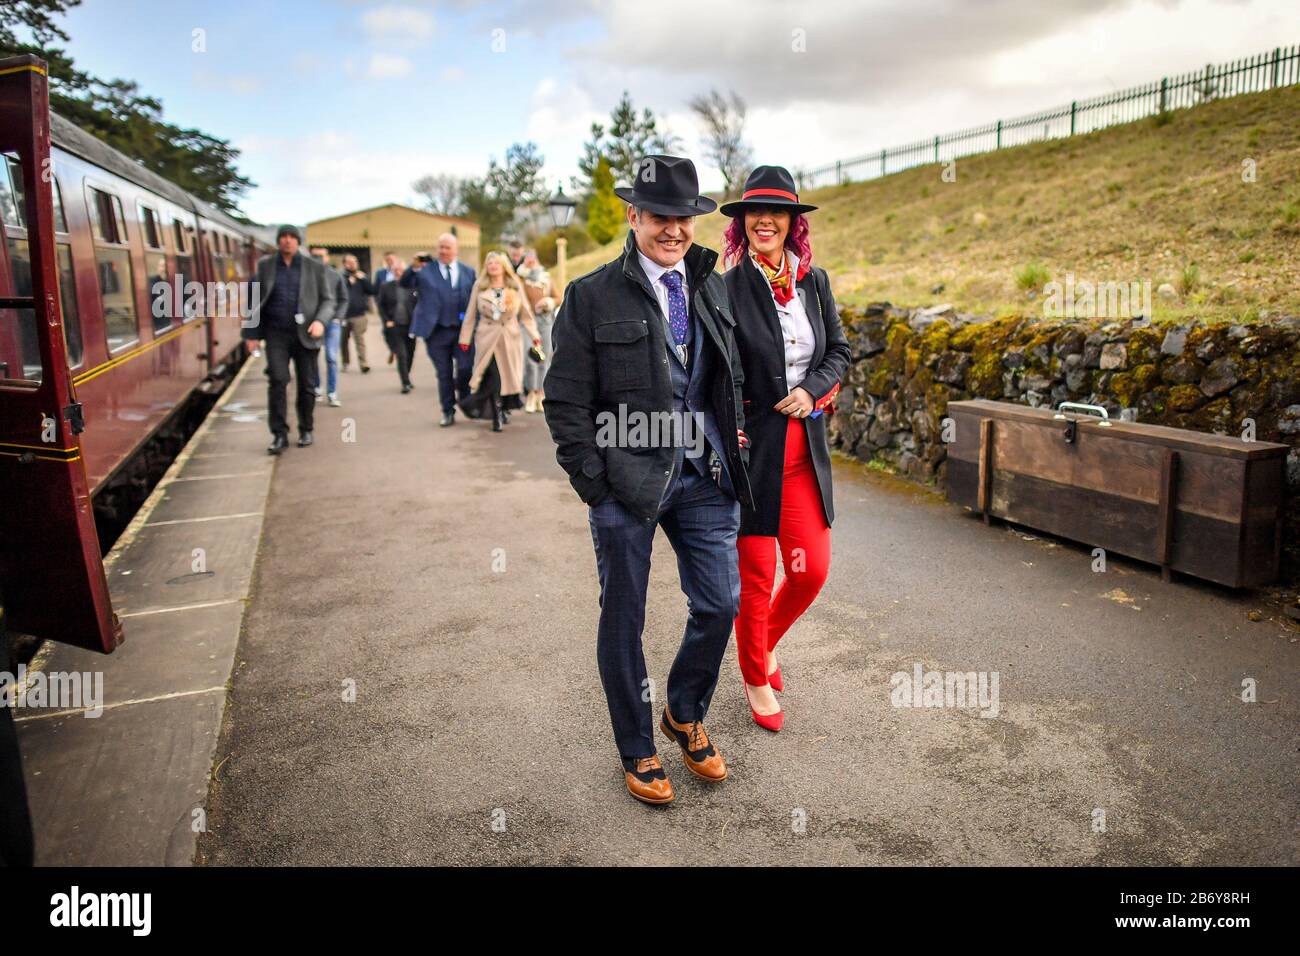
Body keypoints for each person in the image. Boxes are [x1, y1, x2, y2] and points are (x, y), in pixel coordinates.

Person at [544, 155, 753, 806]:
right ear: (634, 216)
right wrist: (594, 483)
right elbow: (564, 403)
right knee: (624, 618)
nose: (674, 229)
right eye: (660, 215)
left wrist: (732, 432)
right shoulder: (590, 295)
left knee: (721, 604)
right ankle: (637, 746)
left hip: (704, 474)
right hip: (625, 483)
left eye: (684, 217)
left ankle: (684, 712)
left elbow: (728, 373)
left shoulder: (712, 282)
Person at [720, 166, 850, 732]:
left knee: (809, 571)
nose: (766, 220)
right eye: (756, 211)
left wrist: (811, 390)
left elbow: (839, 352)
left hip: (805, 449)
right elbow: (717, 368)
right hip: (753, 452)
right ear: (743, 221)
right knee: (754, 576)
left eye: (778, 211)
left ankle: (761, 642)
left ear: (793, 221)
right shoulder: (725, 287)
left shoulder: (815, 284)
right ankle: (754, 674)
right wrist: (731, 421)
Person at [242, 225, 336, 453]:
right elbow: (254, 299)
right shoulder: (265, 266)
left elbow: (328, 300)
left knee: (306, 384)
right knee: (277, 380)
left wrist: (320, 322)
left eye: (292, 237)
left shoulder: (314, 267)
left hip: (306, 333)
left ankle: (306, 428)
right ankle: (279, 434)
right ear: (278, 241)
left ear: (298, 241)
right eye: (283, 237)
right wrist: (251, 334)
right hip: (276, 333)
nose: (287, 241)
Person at [456, 252, 541, 431]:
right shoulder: (480, 286)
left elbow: (525, 313)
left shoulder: (514, 285)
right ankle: (497, 415)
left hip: (509, 338)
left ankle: (502, 409)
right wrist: (465, 338)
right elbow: (470, 314)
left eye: (496, 263)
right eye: (489, 263)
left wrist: (534, 335)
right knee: (493, 376)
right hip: (487, 338)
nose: (492, 266)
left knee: (506, 377)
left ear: (503, 266)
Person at [401, 233, 477, 427]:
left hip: (463, 332)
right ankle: (447, 410)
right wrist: (414, 264)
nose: (443, 251)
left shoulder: (468, 272)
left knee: (465, 369)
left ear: (456, 249)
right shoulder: (425, 271)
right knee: (443, 373)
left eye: (447, 247)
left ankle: (465, 401)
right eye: (440, 247)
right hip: (436, 332)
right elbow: (404, 282)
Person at [517, 248, 559, 413]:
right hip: (528, 323)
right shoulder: (520, 278)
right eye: (527, 258)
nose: (531, 260)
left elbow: (558, 297)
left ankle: (541, 393)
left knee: (544, 357)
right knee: (531, 358)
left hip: (546, 321)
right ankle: (531, 393)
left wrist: (548, 302)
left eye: (533, 257)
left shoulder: (546, 278)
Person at [311, 246, 348, 407]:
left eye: (321, 256)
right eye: (315, 256)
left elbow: (343, 298)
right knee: (312, 356)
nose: (318, 259)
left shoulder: (335, 276)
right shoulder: (306, 276)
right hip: (312, 323)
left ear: (327, 258)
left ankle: (332, 392)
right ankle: (317, 387)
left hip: (332, 322)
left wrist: (338, 317)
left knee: (331, 357)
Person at [378, 259, 417, 393]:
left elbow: (420, 306)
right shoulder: (386, 286)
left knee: (410, 354)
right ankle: (405, 382)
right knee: (402, 354)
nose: (399, 273)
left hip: (411, 326)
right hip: (395, 326)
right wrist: (386, 320)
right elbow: (381, 306)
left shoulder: (413, 287)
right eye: (396, 271)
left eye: (402, 271)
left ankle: (407, 375)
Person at [338, 253, 374, 373]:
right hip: (344, 315)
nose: (353, 264)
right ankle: (345, 362)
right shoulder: (340, 277)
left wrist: (363, 279)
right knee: (343, 341)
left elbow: (372, 291)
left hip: (359, 315)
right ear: (344, 264)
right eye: (350, 262)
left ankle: (363, 363)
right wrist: (349, 283)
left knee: (360, 340)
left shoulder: (361, 277)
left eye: (355, 262)